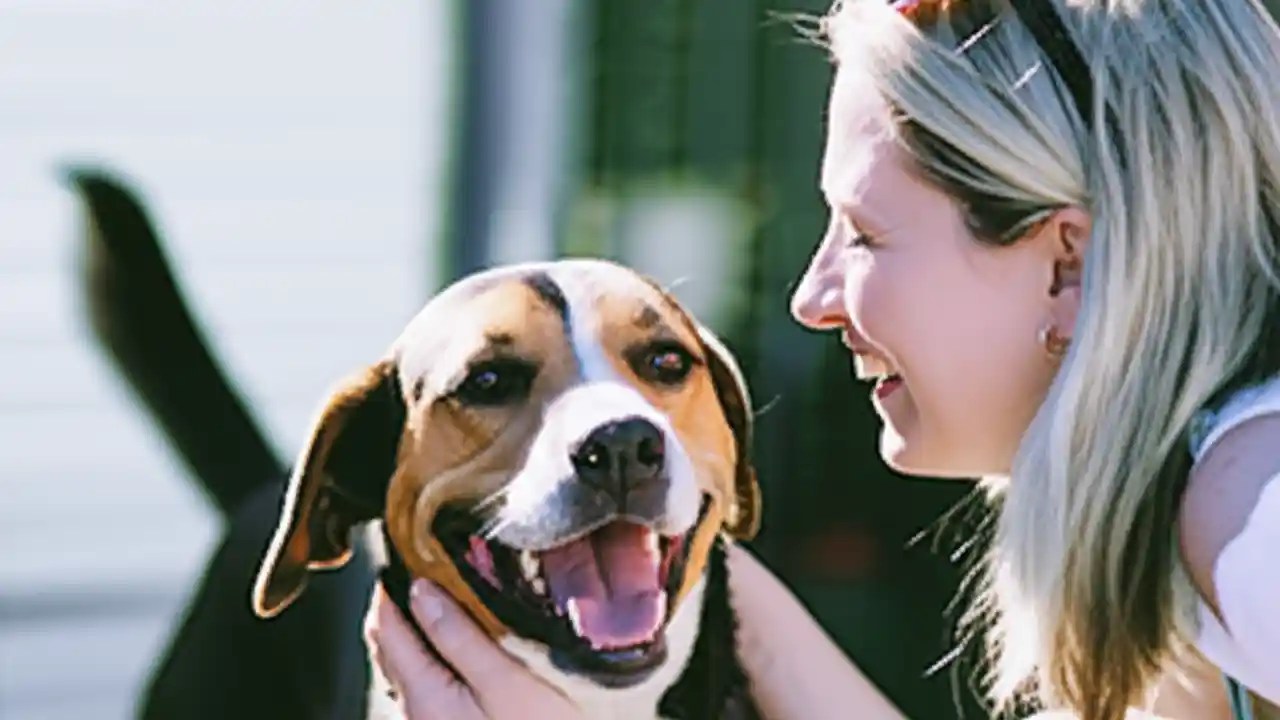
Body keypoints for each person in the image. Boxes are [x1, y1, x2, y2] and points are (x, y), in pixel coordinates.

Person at [362, 0, 1280, 718]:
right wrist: (695, 597)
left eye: (866, 234)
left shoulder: (1249, 508)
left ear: (1067, 264)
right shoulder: (1194, 506)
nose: (813, 295)